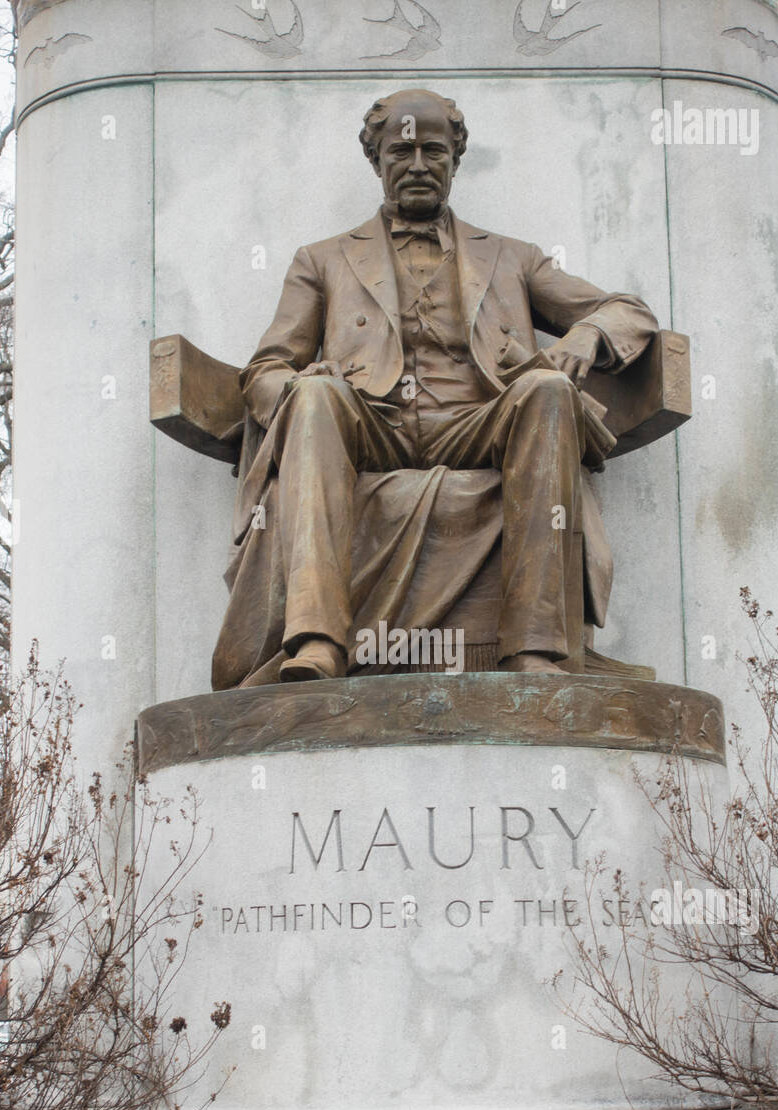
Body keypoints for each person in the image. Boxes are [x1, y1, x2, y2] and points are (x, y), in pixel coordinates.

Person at [211, 88, 659, 688]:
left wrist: (586, 338)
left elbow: (628, 309)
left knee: (549, 392)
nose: (418, 164)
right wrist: (295, 387)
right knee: (314, 397)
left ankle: (533, 648)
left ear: (455, 160)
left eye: (434, 151)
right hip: (370, 425)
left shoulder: (511, 257)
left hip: (479, 425)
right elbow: (266, 367)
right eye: (402, 151)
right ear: (376, 162)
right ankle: (317, 642)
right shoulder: (321, 260)